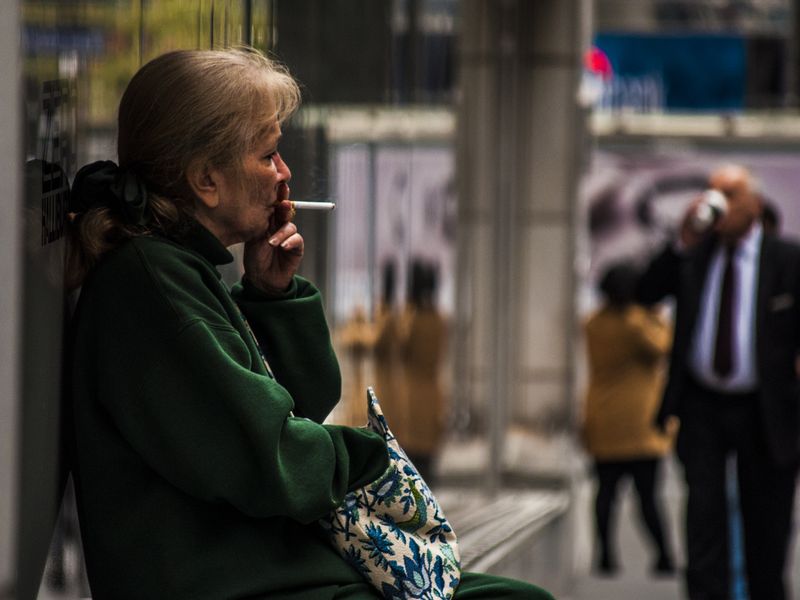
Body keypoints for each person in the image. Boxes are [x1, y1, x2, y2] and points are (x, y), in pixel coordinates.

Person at [65, 47, 554, 600]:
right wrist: (367, 461)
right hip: (231, 585)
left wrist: (273, 295)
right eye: (269, 155)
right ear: (206, 179)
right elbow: (266, 457)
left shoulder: (176, 268)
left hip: (264, 570)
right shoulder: (152, 282)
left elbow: (300, 402)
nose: (285, 174)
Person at [637, 164, 800, 600]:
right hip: (702, 405)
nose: (720, 202)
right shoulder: (694, 255)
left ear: (755, 203)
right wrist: (681, 241)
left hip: (766, 409)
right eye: (713, 192)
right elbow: (644, 291)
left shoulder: (786, 260)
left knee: (766, 525)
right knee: (704, 519)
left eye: (730, 192)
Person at [581, 261, 676, 576]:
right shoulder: (638, 324)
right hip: (640, 423)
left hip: (603, 418)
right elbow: (663, 345)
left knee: (605, 494)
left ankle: (605, 556)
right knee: (647, 497)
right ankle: (664, 555)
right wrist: (650, 312)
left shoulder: (595, 323)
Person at [398, 259, 449, 485]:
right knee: (429, 459)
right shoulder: (439, 319)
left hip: (412, 396)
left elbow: (402, 348)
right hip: (433, 393)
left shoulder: (412, 319)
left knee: (412, 462)